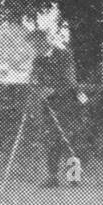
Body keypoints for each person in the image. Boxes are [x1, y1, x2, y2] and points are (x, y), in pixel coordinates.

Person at [28, 26, 80, 188]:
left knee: (68, 139)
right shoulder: (37, 60)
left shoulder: (64, 55)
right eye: (33, 45)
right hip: (48, 106)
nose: (35, 48)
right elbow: (35, 81)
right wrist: (36, 86)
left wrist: (53, 90)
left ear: (45, 41)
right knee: (50, 139)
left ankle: (74, 176)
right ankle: (52, 177)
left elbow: (71, 82)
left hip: (66, 104)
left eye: (37, 44)